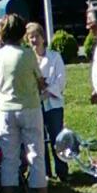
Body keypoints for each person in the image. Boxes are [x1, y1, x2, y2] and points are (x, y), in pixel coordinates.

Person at [0, 13, 50, 193]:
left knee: (9, 158)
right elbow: (40, 79)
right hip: (29, 107)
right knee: (36, 156)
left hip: (6, 109)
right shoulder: (27, 54)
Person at [26, 22, 68, 182]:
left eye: (36, 36)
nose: (34, 40)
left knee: (56, 137)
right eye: (31, 38)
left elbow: (61, 80)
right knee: (39, 138)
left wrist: (47, 93)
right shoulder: (28, 60)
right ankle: (45, 172)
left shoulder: (54, 57)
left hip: (53, 105)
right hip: (35, 105)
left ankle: (62, 171)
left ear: (43, 38)